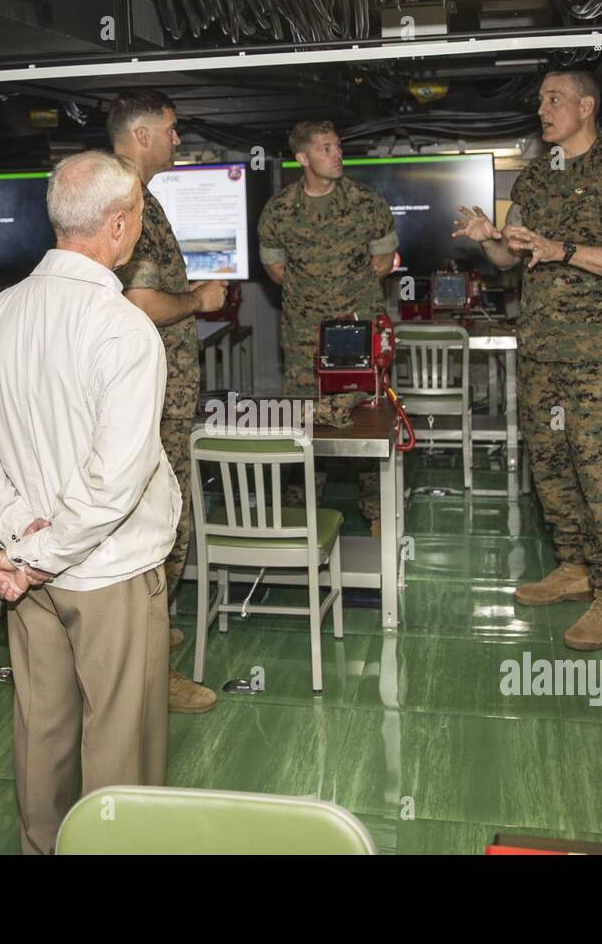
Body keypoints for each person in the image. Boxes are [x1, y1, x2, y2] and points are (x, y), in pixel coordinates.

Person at [0, 150, 180, 854]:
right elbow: (114, 481)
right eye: (134, 216)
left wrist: (19, 534)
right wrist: (38, 550)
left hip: (29, 575)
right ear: (117, 225)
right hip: (108, 573)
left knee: (41, 732)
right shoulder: (124, 329)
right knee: (121, 747)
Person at [453, 71, 602, 650]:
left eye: (554, 99)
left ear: (587, 105)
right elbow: (507, 260)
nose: (542, 109)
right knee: (549, 462)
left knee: (600, 468)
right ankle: (574, 566)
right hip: (541, 348)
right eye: (540, 99)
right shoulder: (537, 176)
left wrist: (562, 249)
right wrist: (488, 237)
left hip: (597, 355)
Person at [109, 89, 225, 714]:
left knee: (157, 520)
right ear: (143, 134)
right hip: (149, 402)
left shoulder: (136, 198)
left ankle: (145, 633)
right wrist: (199, 303)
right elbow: (140, 304)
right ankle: (149, 669)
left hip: (158, 395)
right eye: (173, 131)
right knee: (160, 526)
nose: (180, 141)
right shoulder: (129, 203)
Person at [257, 120, 397, 531]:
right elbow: (276, 268)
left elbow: (383, 263)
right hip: (304, 339)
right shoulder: (279, 211)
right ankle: (300, 516)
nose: (337, 154)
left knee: (369, 416)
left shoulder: (368, 203)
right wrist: (316, 297)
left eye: (337, 146)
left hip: (360, 333)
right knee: (303, 420)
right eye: (325, 148)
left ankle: (377, 512)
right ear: (302, 158)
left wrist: (345, 297)